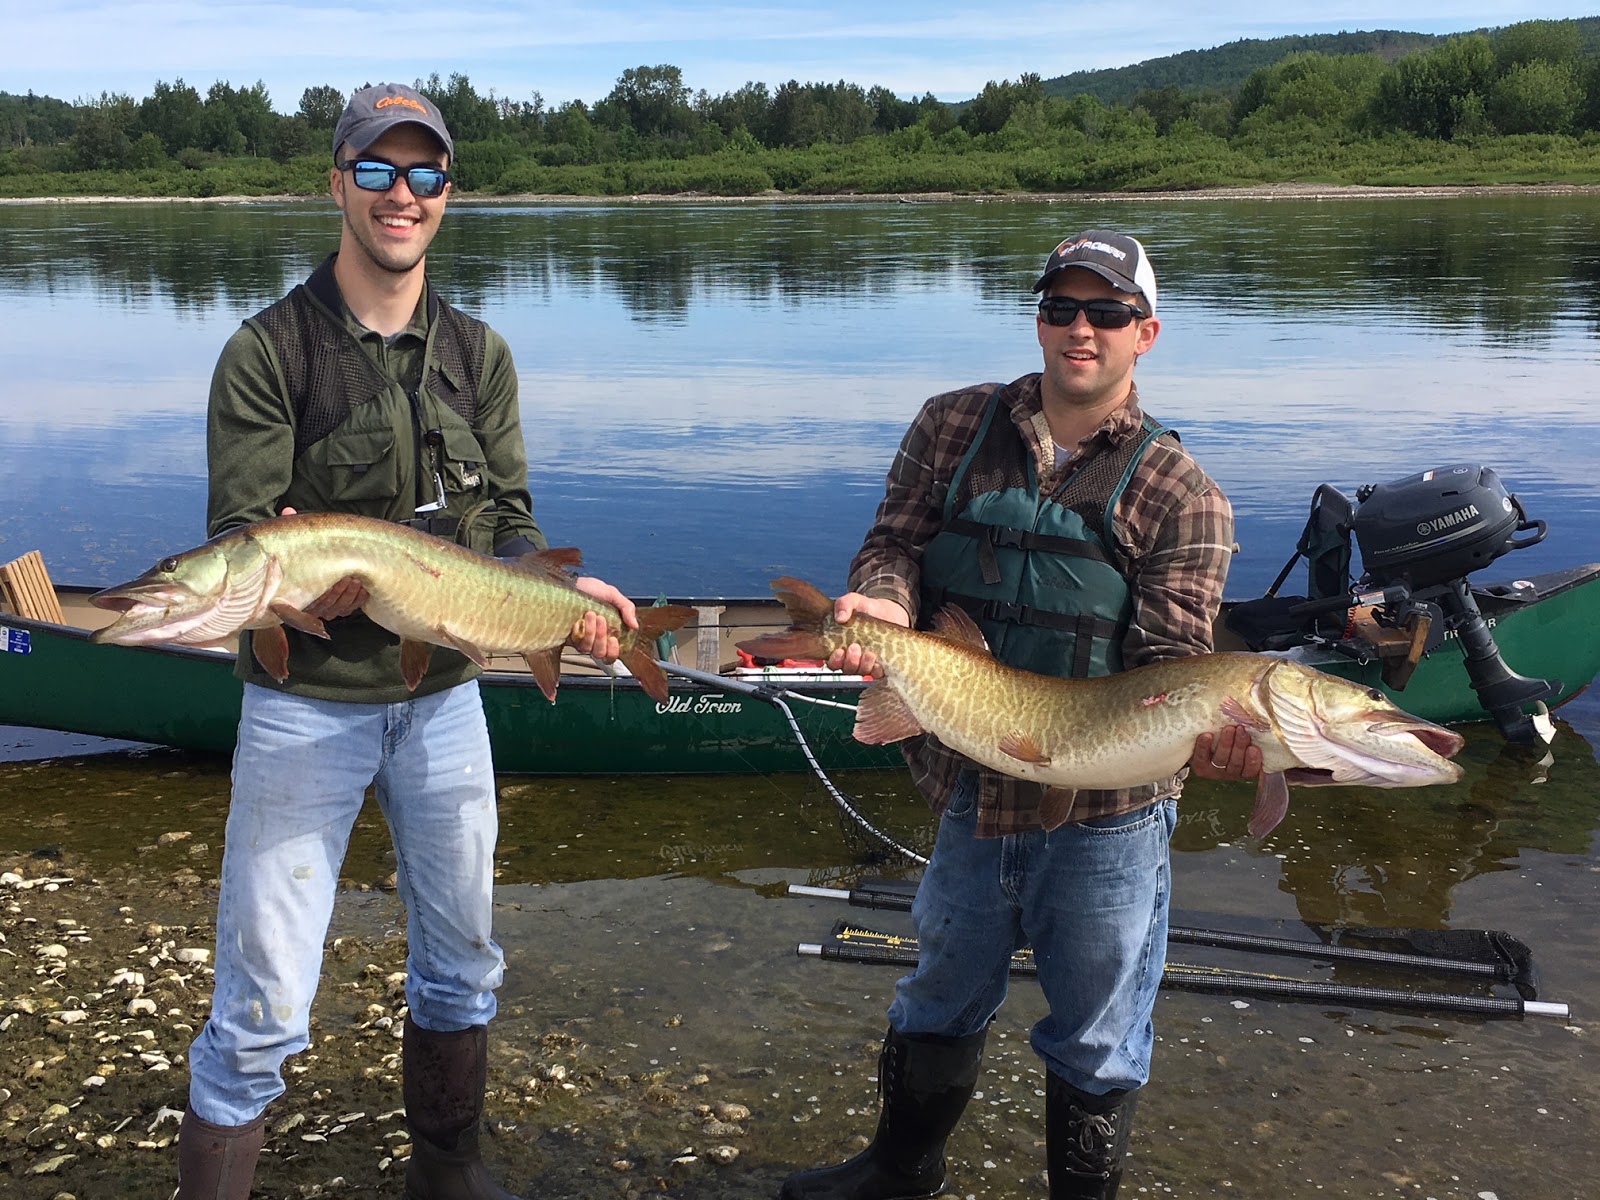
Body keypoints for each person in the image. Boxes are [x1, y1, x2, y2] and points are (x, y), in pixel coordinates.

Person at [176, 83, 637, 1200]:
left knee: (463, 967)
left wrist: (565, 594)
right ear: (336, 182)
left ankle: (447, 1176)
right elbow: (240, 542)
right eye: (376, 171)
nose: (402, 194)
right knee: (263, 1004)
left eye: (423, 174)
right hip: (304, 713)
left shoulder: (480, 355)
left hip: (442, 704)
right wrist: (294, 585)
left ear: (447, 195)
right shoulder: (266, 351)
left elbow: (511, 519)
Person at [779, 231, 1260, 1200]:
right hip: (967, 777)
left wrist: (1215, 742)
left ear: (1145, 333)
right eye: (1060, 308)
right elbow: (895, 547)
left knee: (1095, 1034)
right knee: (940, 990)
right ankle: (897, 1174)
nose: (1079, 330)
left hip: (1104, 818)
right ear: (1038, 318)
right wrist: (876, 600)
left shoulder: (1184, 497)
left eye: (1106, 313)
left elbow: (1167, 668)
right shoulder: (950, 425)